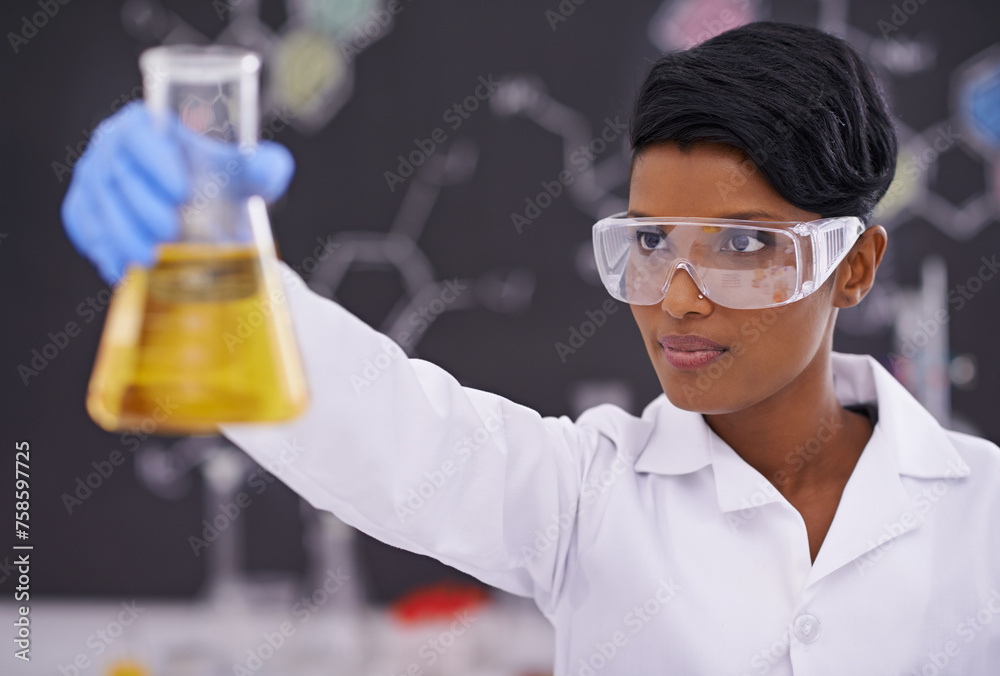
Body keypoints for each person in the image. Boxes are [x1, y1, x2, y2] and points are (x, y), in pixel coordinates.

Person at [62, 21, 1000, 675]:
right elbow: (388, 433)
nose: (677, 295)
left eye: (746, 245)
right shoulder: (589, 498)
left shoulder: (985, 515)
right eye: (649, 241)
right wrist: (206, 250)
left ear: (856, 266)